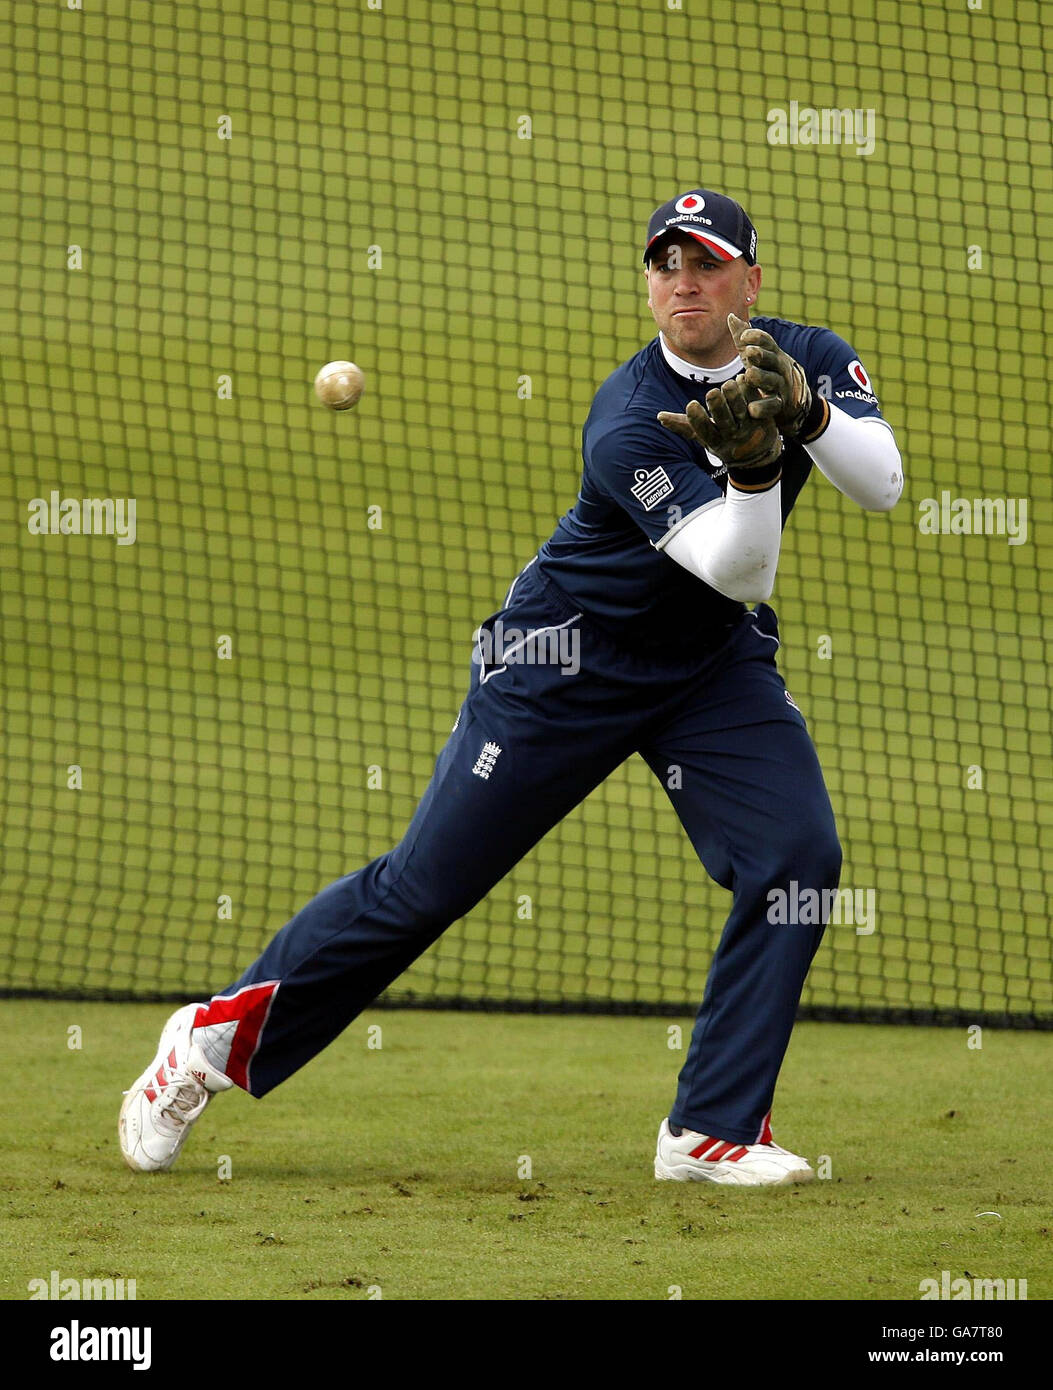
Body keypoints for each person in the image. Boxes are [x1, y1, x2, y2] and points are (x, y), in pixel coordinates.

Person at [120, 189, 903, 1186]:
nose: (684, 284)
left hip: (708, 669)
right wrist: (755, 468)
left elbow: (880, 483)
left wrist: (812, 413)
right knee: (423, 888)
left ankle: (711, 1128)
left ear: (750, 279)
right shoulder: (629, 419)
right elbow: (741, 568)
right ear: (647, 285)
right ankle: (202, 1047)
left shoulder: (807, 356)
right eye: (665, 266)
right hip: (561, 664)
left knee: (796, 859)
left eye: (705, 265)